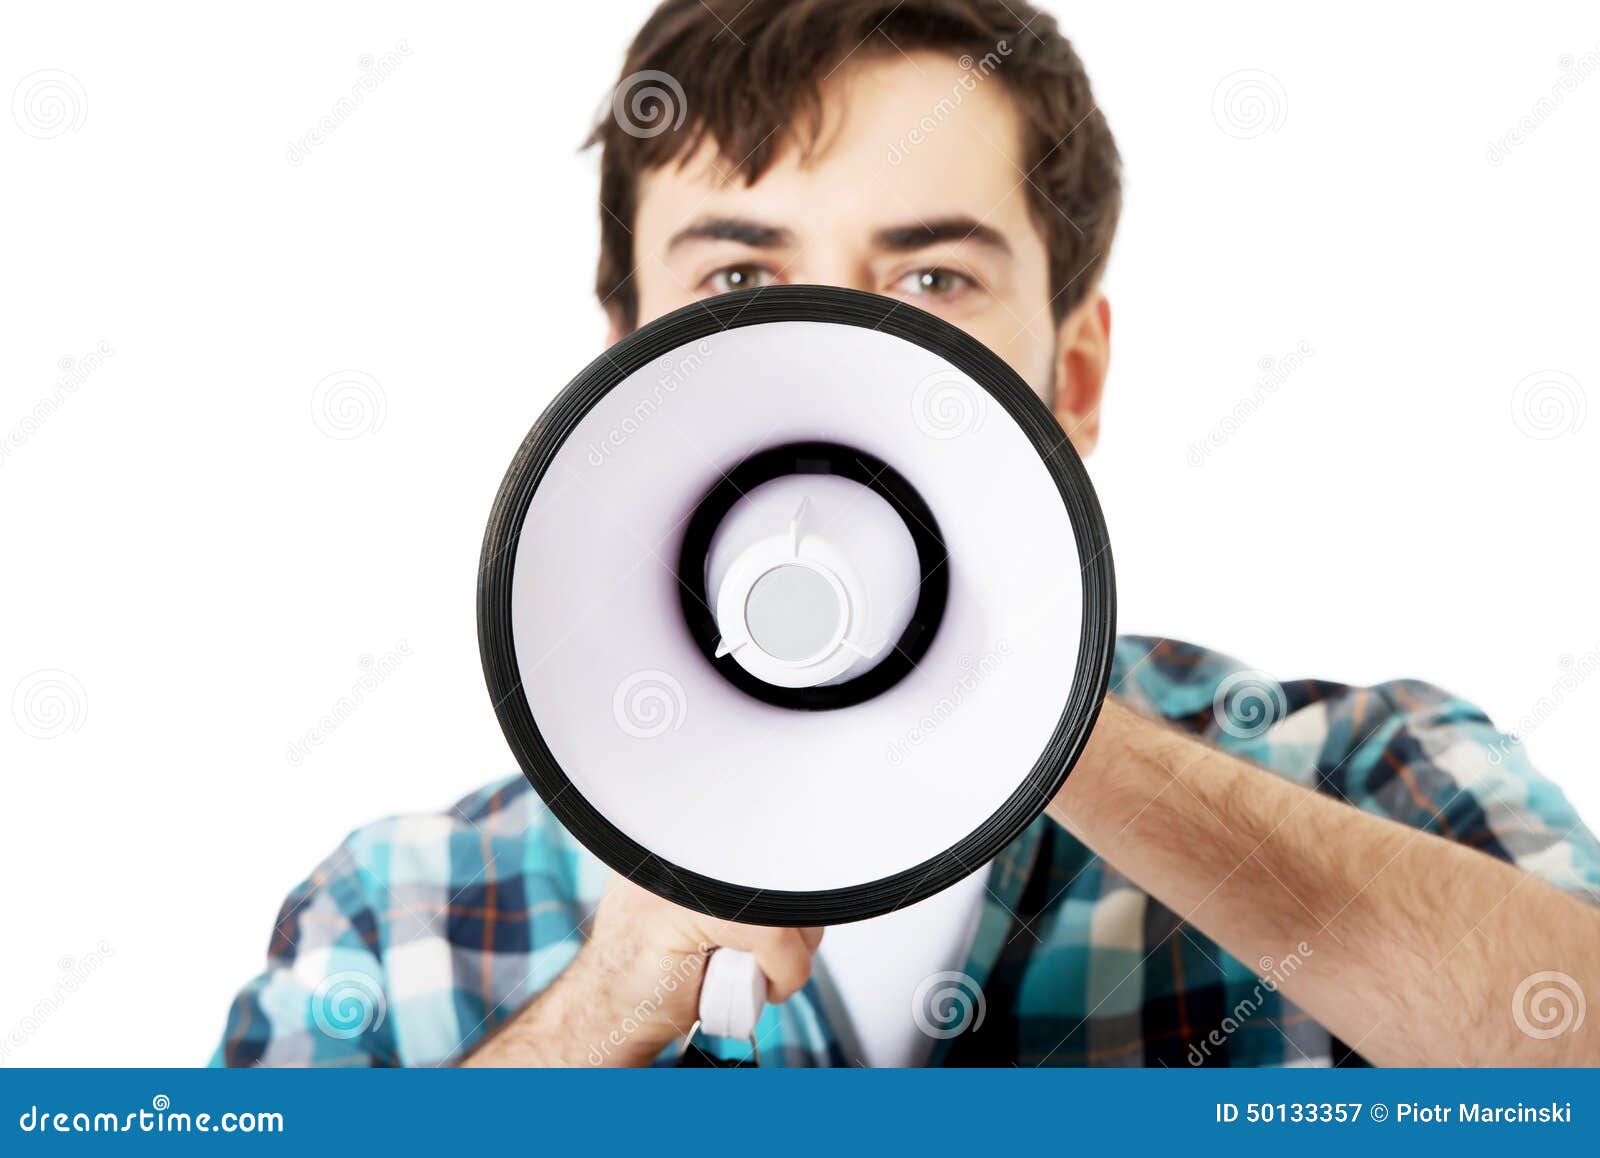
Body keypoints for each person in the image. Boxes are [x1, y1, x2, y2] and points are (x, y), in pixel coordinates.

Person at [214, 0, 1600, 1068]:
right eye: (741, 276)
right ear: (622, 372)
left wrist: (1032, 716)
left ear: (1076, 373)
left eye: (932, 276)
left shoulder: (1378, 773)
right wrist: (599, 1017)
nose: (838, 352)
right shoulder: (400, 910)